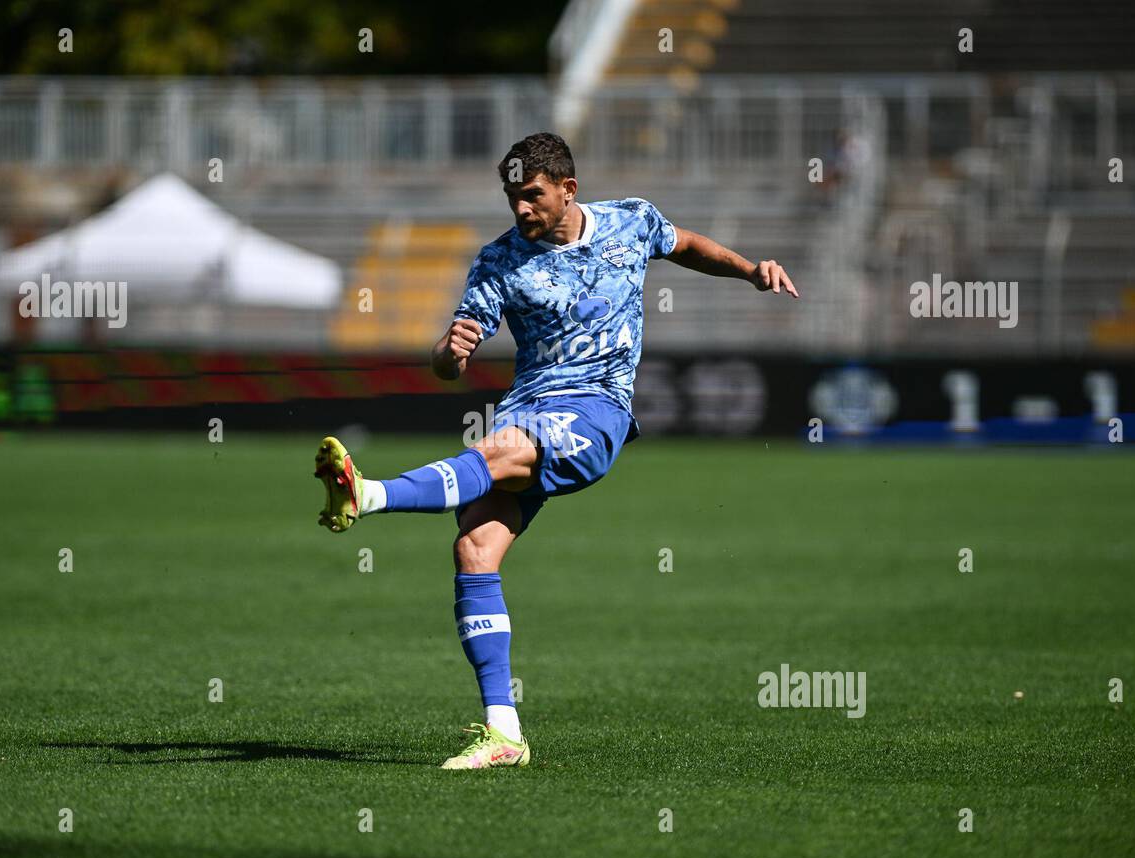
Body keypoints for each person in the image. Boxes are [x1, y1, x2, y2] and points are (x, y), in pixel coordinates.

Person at [314, 131, 799, 769]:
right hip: (528, 410)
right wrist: (448, 352)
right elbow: (445, 364)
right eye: (512, 196)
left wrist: (750, 270)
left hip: (597, 412)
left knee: (497, 452)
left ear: (568, 189)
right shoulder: (498, 261)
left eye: (533, 195)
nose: (521, 209)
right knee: (475, 550)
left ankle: (369, 493)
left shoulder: (631, 222)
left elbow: (687, 245)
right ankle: (504, 734)